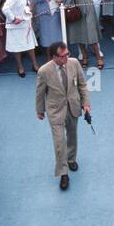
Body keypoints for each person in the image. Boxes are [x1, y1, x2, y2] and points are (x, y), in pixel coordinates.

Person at [34, 41, 91, 190]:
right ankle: (63, 173)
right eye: (63, 56)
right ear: (54, 57)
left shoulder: (74, 63)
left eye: (68, 54)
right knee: (59, 143)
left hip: (73, 106)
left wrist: (86, 103)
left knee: (72, 135)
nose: (66, 58)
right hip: (55, 111)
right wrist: (40, 110)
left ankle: (71, 159)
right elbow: (40, 93)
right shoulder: (43, 71)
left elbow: (82, 85)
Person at [0, 0, 38, 76]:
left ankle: (34, 64)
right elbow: (5, 8)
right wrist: (13, 18)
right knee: (17, 47)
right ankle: (20, 67)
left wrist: (28, 6)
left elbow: (23, 2)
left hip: (25, 22)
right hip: (16, 25)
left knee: (30, 45)